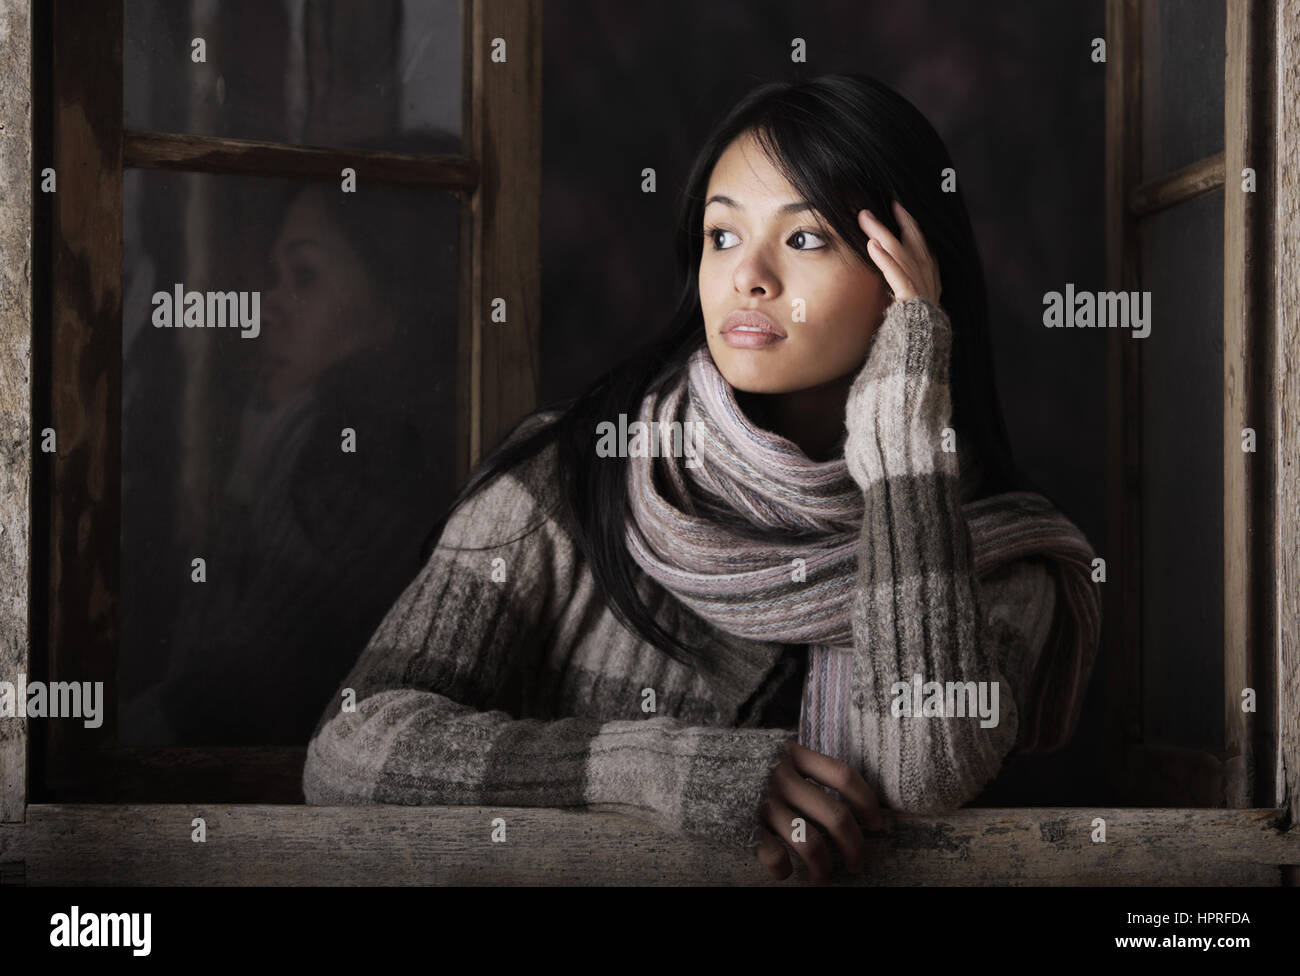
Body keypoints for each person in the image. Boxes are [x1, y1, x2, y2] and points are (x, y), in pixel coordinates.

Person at [302, 73, 1102, 883]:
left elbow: (924, 766)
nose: (747, 277)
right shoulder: (571, 476)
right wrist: (659, 767)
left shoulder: (1001, 555)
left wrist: (903, 422)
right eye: (723, 236)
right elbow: (351, 750)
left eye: (805, 238)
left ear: (910, 278)